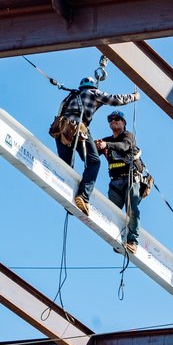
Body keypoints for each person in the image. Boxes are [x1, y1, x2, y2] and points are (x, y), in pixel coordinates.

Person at [51, 77, 139, 216]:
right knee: (94, 162)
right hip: (77, 128)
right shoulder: (93, 93)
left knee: (66, 167)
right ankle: (83, 197)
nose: (113, 121)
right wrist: (133, 97)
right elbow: (114, 99)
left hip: (61, 132)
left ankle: (67, 196)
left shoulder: (71, 96)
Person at [96, 110, 142, 254]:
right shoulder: (106, 140)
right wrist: (88, 142)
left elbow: (124, 146)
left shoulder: (128, 136)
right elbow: (89, 152)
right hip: (115, 182)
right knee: (111, 213)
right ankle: (118, 239)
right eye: (110, 119)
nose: (113, 121)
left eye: (117, 119)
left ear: (124, 123)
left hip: (130, 179)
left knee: (132, 210)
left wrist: (106, 145)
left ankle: (132, 241)